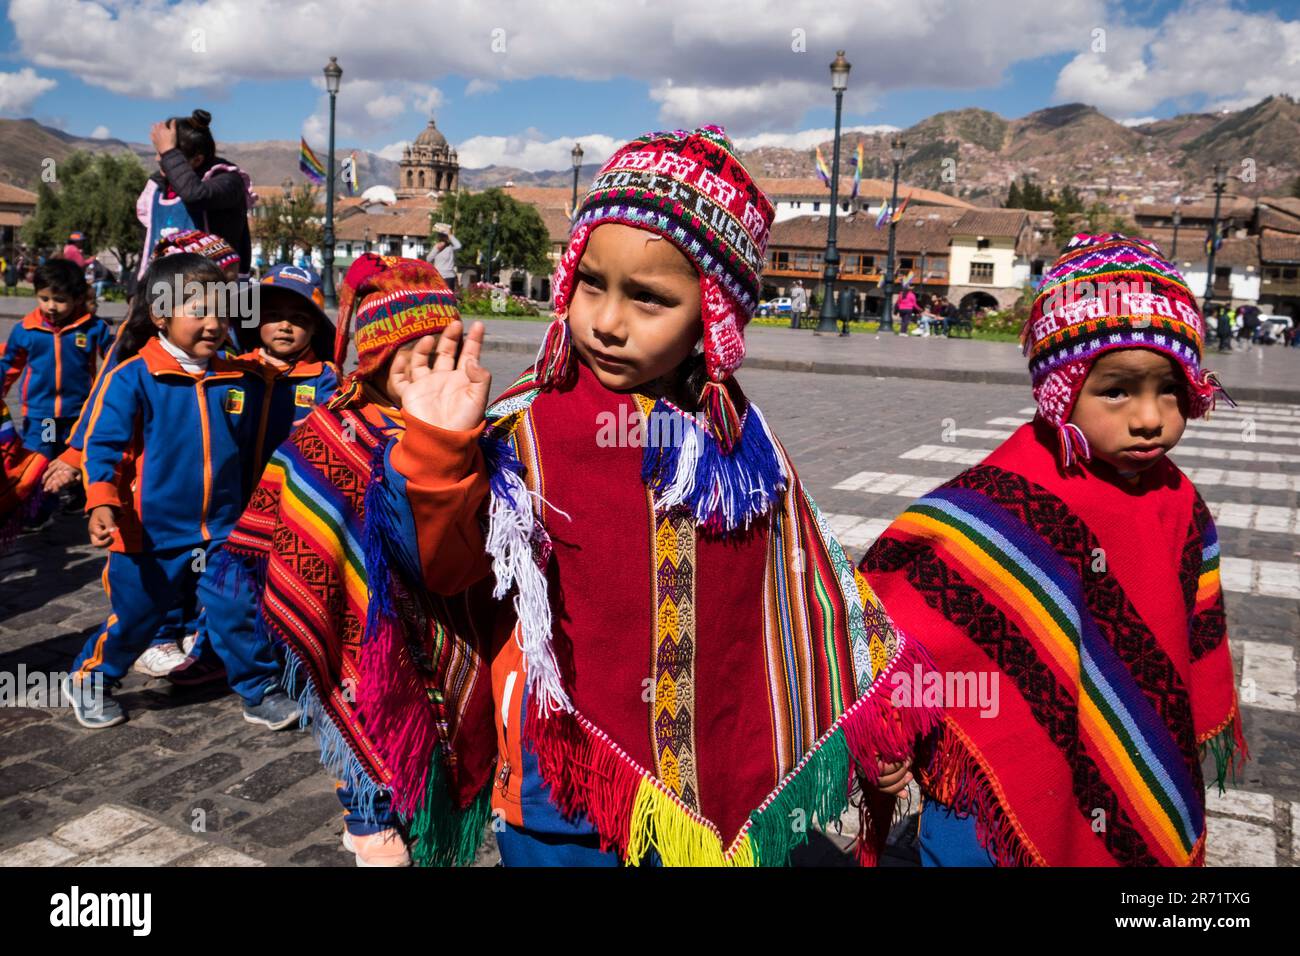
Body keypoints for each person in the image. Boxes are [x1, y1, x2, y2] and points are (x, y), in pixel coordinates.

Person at [364, 127, 941, 867]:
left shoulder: (740, 442)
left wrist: (869, 714)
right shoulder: (526, 430)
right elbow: (442, 573)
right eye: (591, 285)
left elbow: (806, 589)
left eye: (648, 299)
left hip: (720, 766)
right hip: (563, 792)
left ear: (713, 315)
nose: (606, 320)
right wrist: (440, 454)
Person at [862, 233, 1245, 866]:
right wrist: (890, 721)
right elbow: (897, 604)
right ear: (1063, 392)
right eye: (1117, 390)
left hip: (1114, 781)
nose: (1149, 417)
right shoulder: (1008, 496)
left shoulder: (1178, 502)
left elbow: (1183, 631)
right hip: (994, 789)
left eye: (1169, 389)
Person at [212, 255, 465, 865]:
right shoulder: (332, 431)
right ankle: (367, 819)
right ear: (375, 354)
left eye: (443, 346)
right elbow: (281, 524)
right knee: (362, 721)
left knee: (428, 741)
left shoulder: (464, 427)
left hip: (433, 625)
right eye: (411, 346)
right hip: (356, 630)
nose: (427, 361)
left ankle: (410, 806)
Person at [62, 253, 293, 730]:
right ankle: (92, 678)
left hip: (221, 529)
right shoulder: (133, 378)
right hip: (148, 533)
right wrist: (102, 500)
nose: (214, 324)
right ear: (161, 314)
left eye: (223, 312)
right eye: (199, 311)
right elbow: (104, 447)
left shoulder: (237, 378)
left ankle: (258, 689)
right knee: (136, 619)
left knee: (236, 607)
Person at [0, 259, 114, 462]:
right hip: (43, 415)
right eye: (44, 298)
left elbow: (116, 361)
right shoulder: (26, 329)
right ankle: (41, 493)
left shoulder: (93, 328)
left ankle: (74, 494)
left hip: (78, 412)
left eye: (60, 300)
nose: (51, 306)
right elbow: (9, 366)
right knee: (41, 457)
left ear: (78, 299)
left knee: (74, 459)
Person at [140, 109, 256, 279]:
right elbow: (148, 245)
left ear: (197, 160)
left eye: (165, 153)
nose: (160, 159)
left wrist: (168, 152)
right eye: (159, 152)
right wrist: (134, 294)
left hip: (220, 293)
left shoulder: (228, 180)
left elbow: (195, 196)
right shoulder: (158, 188)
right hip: (165, 290)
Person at [428, 224, 461, 291]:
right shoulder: (436, 247)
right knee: (438, 299)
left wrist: (450, 234)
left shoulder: (450, 248)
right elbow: (428, 259)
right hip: (438, 277)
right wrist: (437, 249)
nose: (441, 238)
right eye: (440, 236)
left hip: (449, 277)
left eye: (444, 236)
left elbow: (459, 246)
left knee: (448, 299)